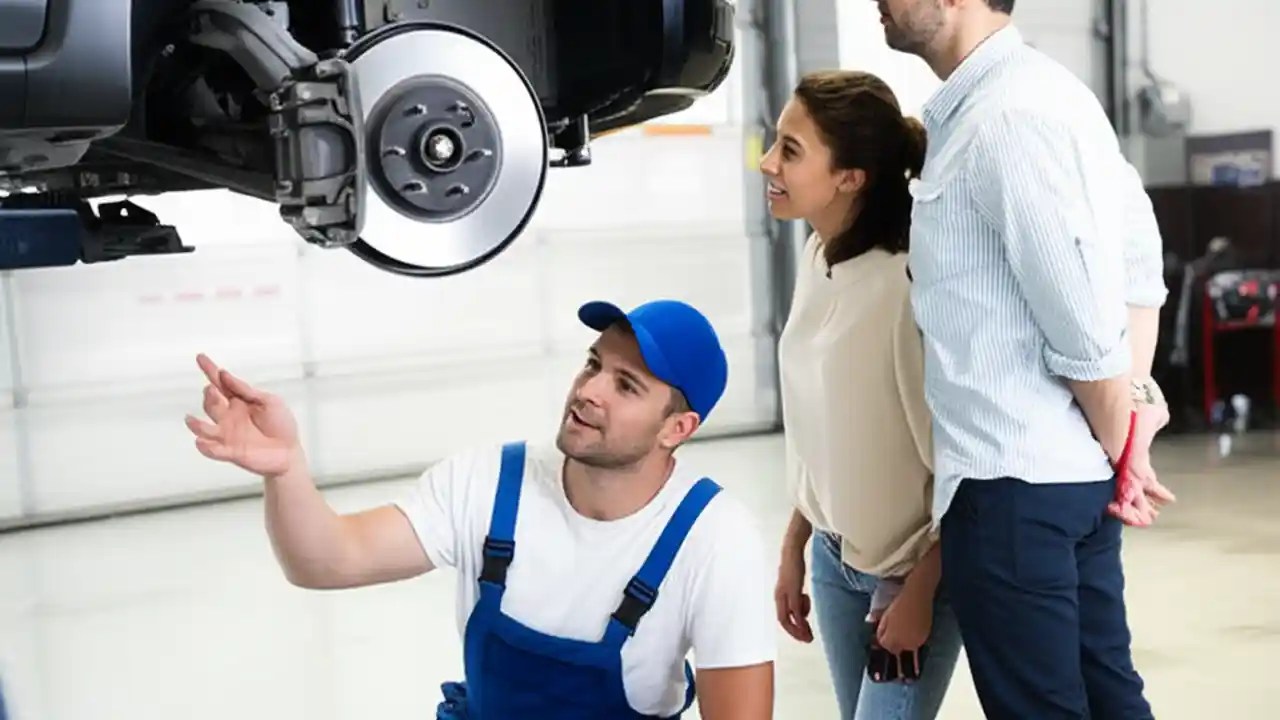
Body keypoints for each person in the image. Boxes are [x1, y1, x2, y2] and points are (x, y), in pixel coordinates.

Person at [183, 298, 777, 720]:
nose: (589, 390)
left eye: (627, 386)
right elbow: (326, 561)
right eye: (593, 364)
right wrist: (286, 469)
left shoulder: (716, 540)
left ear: (678, 427)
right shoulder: (491, 484)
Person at [876, 0, 1177, 717]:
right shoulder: (1042, 95)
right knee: (1109, 696)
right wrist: (1125, 431)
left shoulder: (1005, 118)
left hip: (1013, 490)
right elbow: (1141, 264)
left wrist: (1123, 440)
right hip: (1066, 483)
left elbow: (1080, 318)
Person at [761, 69, 963, 719]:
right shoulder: (819, 255)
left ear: (851, 176)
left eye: (791, 150)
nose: (768, 162)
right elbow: (824, 432)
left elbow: (969, 469)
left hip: (912, 575)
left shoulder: (907, 288)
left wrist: (921, 594)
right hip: (832, 557)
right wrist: (795, 544)